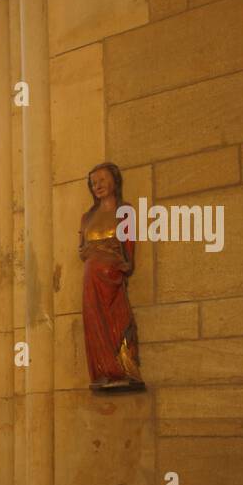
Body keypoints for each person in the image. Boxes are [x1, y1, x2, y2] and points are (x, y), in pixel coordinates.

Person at [79, 162, 144, 390]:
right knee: (94, 323)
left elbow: (128, 250)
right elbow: (81, 248)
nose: (98, 186)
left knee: (118, 320)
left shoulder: (124, 211)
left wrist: (118, 263)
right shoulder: (87, 217)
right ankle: (103, 371)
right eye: (93, 183)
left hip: (112, 278)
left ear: (114, 181)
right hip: (91, 279)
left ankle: (124, 368)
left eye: (102, 180)